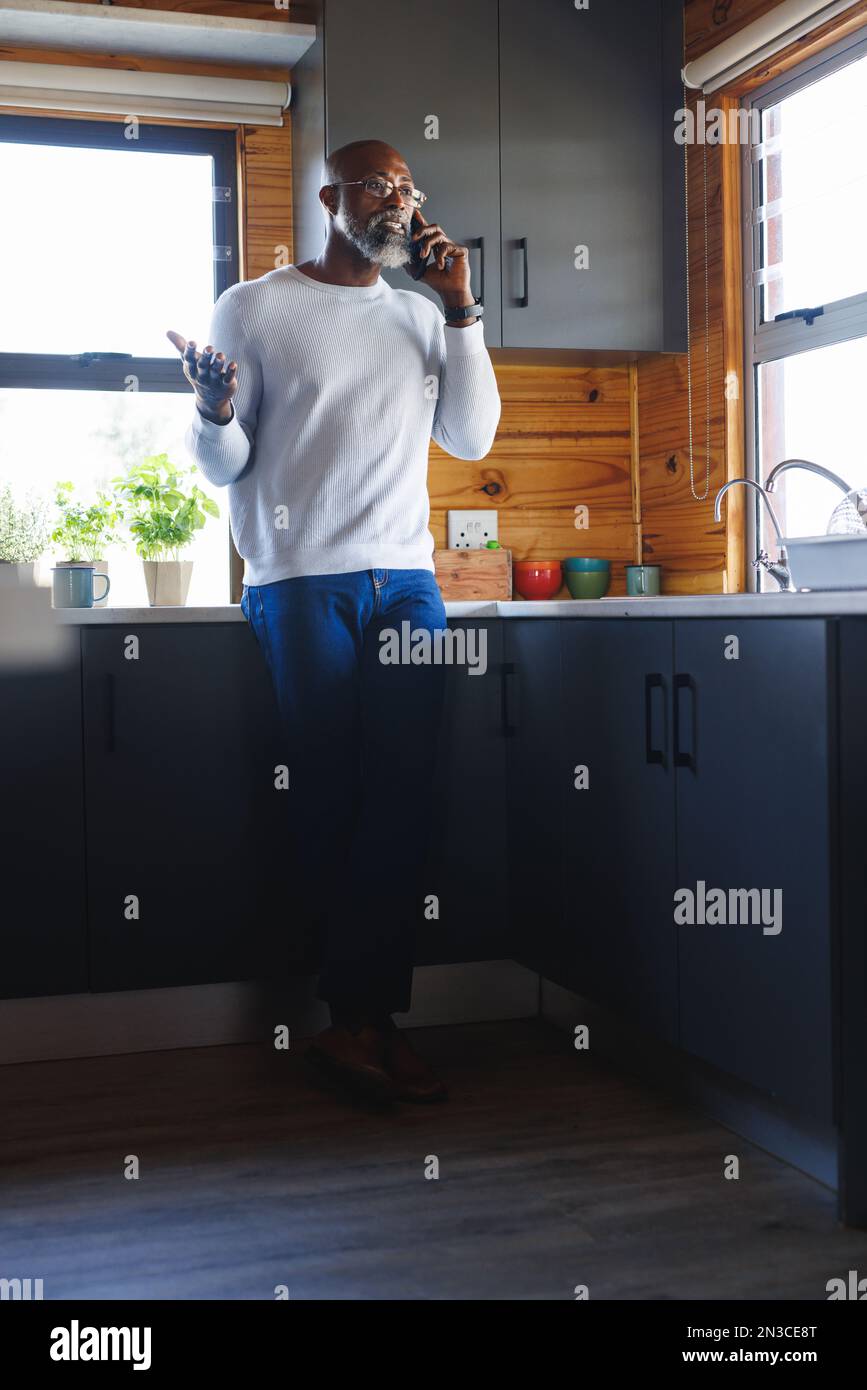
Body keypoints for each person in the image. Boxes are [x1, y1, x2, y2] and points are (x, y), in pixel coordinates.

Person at [168, 138, 500, 1105]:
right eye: (375, 185)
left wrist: (461, 306)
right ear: (330, 197)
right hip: (301, 577)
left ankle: (364, 1021)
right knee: (332, 795)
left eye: (405, 187)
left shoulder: (419, 313)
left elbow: (472, 437)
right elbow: (225, 465)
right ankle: (352, 1021)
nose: (394, 200)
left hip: (405, 581)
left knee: (402, 798)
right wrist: (213, 411)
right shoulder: (256, 306)